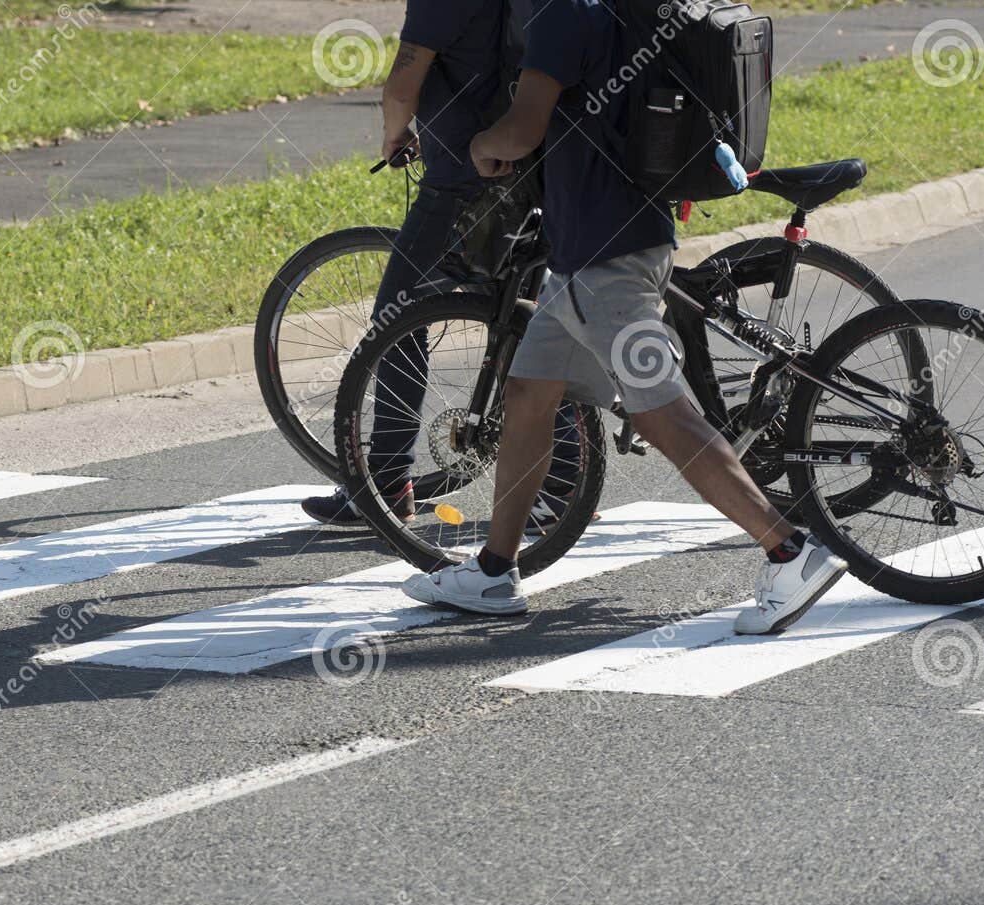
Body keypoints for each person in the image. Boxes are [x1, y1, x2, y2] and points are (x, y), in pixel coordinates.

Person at [400, 0, 847, 636]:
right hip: (595, 254)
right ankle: (495, 571)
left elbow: (523, 131)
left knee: (661, 413)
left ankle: (789, 550)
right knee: (529, 393)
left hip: (605, 261)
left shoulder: (561, 16)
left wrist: (475, 145)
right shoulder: (618, 8)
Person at [302, 1, 579, 533]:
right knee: (518, 324)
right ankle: (563, 480)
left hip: (458, 181)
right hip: (525, 169)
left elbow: (404, 84)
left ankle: (385, 484)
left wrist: (393, 132)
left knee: (396, 319)